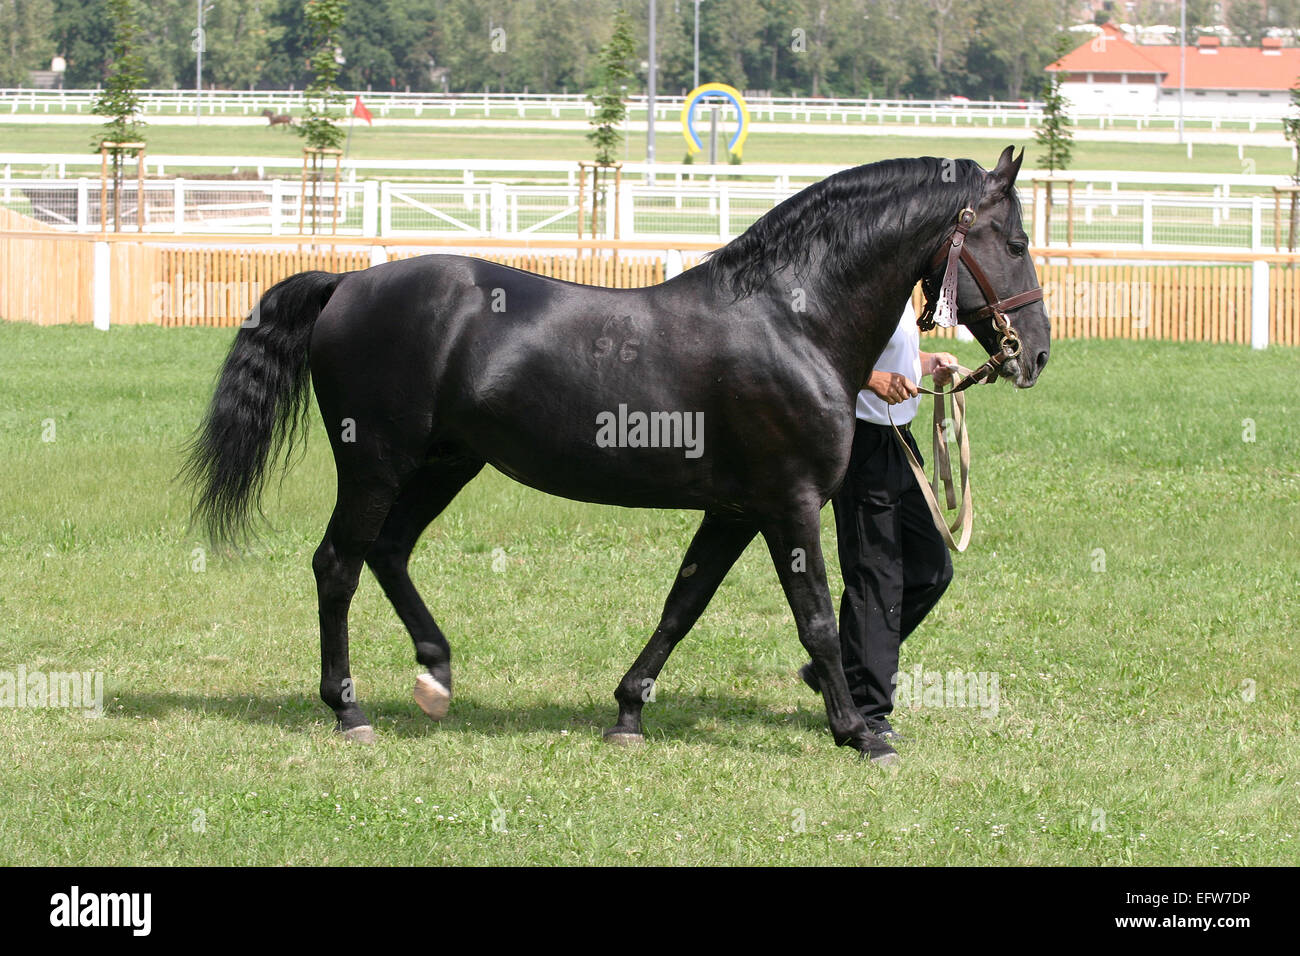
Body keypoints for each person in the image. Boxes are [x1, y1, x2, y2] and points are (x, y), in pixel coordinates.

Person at [800, 300, 957, 742]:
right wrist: (871, 380)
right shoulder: (864, 277)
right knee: (876, 580)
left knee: (931, 570)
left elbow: (894, 357)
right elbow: (814, 354)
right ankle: (866, 710)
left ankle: (840, 665)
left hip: (899, 443)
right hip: (863, 443)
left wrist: (927, 365)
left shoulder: (904, 291)